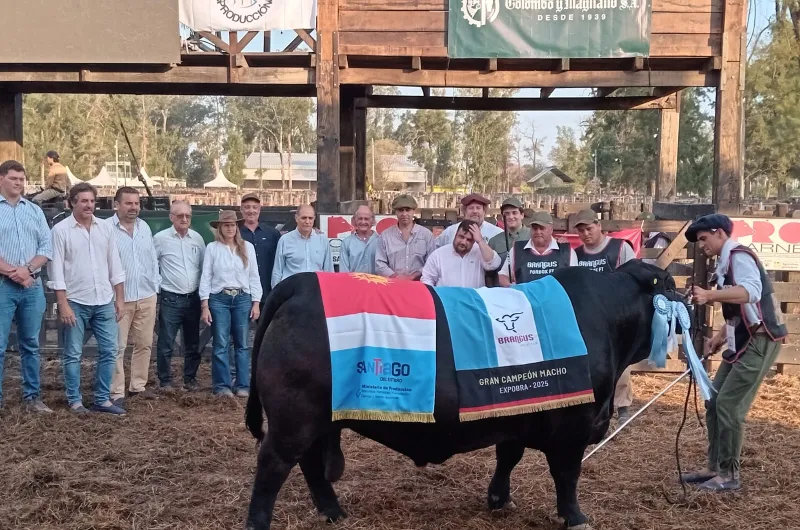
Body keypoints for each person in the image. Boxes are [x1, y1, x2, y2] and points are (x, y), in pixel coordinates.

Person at [682, 214, 787, 492]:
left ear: (719, 233)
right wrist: (719, 337)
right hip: (742, 338)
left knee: (729, 405)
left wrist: (709, 295)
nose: (702, 245)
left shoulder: (739, 256)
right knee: (714, 401)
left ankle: (729, 475)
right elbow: (738, 308)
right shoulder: (726, 261)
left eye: (704, 238)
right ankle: (713, 467)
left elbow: (751, 292)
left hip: (761, 338)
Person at [49, 182, 127, 415]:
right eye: (83, 201)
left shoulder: (105, 228)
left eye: (92, 201)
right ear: (72, 202)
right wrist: (63, 304)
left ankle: (102, 399)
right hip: (75, 300)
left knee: (110, 350)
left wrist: (119, 298)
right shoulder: (61, 230)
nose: (89, 205)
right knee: (73, 353)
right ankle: (74, 400)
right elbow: (56, 272)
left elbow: (115, 265)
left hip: (103, 299)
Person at [573, 208, 637, 421]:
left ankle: (623, 407)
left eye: (589, 228)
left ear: (599, 226)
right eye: (581, 231)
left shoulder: (619, 249)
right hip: (587, 318)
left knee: (620, 361)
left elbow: (632, 279)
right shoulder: (576, 255)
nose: (585, 234)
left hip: (616, 315)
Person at [0, 160, 53, 413]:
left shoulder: (34, 210)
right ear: (1, 179)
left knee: (31, 343)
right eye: (13, 178)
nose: (19, 183)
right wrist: (15, 273)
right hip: (3, 285)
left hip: (32, 286)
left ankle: (33, 396)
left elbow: (46, 246)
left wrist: (28, 270)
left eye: (22, 179)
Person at [107, 187, 161, 406]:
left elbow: (152, 259)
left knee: (144, 343)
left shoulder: (144, 227)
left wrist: (155, 284)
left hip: (146, 294)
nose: (133, 208)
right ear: (116, 204)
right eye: (128, 203)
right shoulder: (106, 228)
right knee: (117, 346)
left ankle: (138, 386)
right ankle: (116, 391)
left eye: (136, 203)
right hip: (120, 297)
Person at [200, 210, 262, 397]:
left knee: (242, 343)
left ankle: (243, 384)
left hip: (242, 297)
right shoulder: (212, 248)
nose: (230, 228)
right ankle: (222, 385)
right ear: (220, 227)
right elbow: (206, 276)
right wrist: (205, 305)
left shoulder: (247, 247)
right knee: (220, 343)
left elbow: (254, 276)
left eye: (233, 225)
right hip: (219, 298)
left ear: (237, 227)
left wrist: (256, 302)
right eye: (226, 225)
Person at [154, 200, 205, 392]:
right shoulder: (160, 239)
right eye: (180, 215)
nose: (184, 219)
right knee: (166, 342)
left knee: (193, 342)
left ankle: (189, 379)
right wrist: (159, 287)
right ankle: (165, 381)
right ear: (171, 217)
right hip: (171, 298)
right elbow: (153, 265)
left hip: (193, 298)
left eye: (187, 216)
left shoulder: (197, 239)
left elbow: (202, 267)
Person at [498, 211, 577, 286]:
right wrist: (511, 287)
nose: (538, 232)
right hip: (526, 298)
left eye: (542, 228)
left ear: (551, 229)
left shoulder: (567, 251)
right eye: (535, 228)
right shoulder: (516, 249)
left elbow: (575, 279)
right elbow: (503, 274)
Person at [422, 220, 500, 288]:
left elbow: (494, 264)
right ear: (456, 234)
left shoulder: (480, 252)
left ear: (474, 241)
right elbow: (427, 279)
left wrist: (480, 241)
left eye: (469, 240)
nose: (463, 242)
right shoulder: (438, 255)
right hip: (446, 301)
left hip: (473, 301)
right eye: (461, 237)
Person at [375, 195, 435, 280]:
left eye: (407, 210)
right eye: (400, 210)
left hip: (419, 284)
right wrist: (396, 277)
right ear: (395, 212)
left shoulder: (426, 235)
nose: (404, 214)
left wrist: (413, 276)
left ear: (413, 211)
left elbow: (431, 262)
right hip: (393, 284)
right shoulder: (385, 236)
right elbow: (380, 263)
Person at [271, 204, 333, 287]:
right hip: (291, 291)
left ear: (314, 219)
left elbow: (329, 270)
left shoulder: (323, 240)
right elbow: (277, 271)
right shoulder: (285, 240)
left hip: (316, 290)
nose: (307, 221)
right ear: (296, 218)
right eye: (304, 218)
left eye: (310, 218)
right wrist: (276, 296)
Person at [239, 193, 281, 306]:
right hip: (242, 294)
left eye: (254, 207)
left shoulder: (272, 234)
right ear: (241, 210)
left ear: (259, 209)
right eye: (247, 207)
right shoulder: (235, 234)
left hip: (268, 292)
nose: (251, 210)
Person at [436, 193, 503, 248]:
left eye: (478, 208)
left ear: (484, 211)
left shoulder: (497, 233)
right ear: (464, 211)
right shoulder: (450, 231)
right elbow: (435, 249)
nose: (474, 211)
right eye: (471, 208)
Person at [339, 205, 379, 274]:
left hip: (376, 283)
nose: (363, 222)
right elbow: (344, 272)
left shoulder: (381, 241)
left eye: (366, 219)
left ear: (372, 220)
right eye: (360, 219)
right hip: (353, 284)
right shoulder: (346, 243)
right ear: (355, 220)